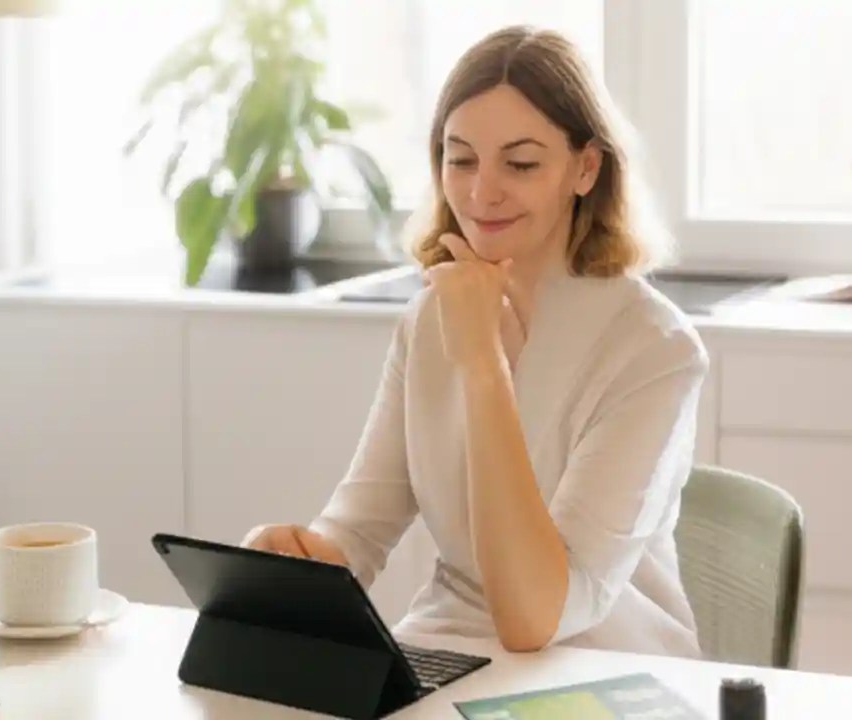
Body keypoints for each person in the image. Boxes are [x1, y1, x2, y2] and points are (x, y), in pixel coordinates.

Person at [243, 25, 707, 657]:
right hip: (447, 652)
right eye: (460, 159)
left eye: (520, 163)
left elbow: (538, 615)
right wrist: (291, 562)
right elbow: (358, 530)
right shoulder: (433, 316)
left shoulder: (655, 351)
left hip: (601, 667)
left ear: (585, 167)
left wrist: (482, 363)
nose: (481, 192)